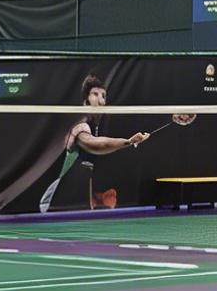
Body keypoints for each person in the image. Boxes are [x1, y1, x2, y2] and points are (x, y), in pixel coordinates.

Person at [38, 76, 148, 212]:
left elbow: (85, 171)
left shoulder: (95, 126)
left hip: (72, 198)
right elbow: (97, 145)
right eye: (95, 94)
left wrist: (94, 202)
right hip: (55, 201)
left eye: (103, 96)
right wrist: (128, 141)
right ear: (86, 100)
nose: (101, 101)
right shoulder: (81, 125)